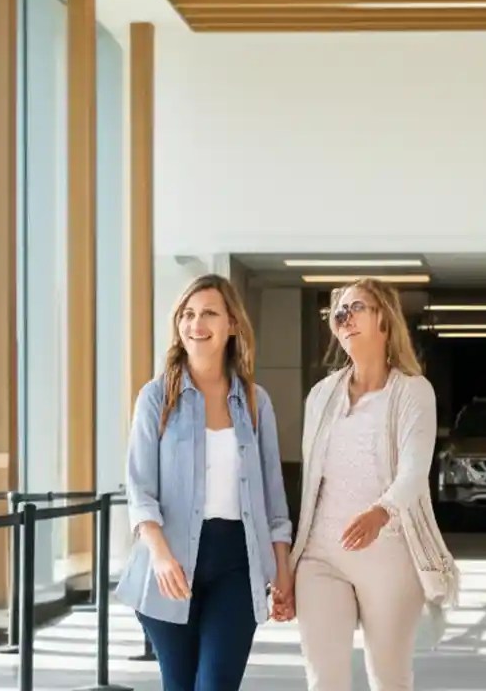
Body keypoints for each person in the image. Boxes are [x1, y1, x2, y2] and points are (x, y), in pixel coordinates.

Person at [115, 273, 294, 691]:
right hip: (170, 566)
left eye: (209, 313)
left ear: (232, 323)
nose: (197, 324)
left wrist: (282, 569)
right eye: (188, 314)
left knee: (215, 685)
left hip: (237, 564)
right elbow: (139, 488)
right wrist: (159, 556)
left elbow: (274, 498)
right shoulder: (157, 397)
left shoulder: (254, 400)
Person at [286, 277, 459, 691]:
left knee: (389, 679)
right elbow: (314, 481)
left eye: (356, 308)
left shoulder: (413, 392)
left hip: (390, 553)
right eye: (339, 313)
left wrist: (381, 512)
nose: (345, 318)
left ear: (384, 319)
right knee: (324, 680)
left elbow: (415, 471)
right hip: (321, 556)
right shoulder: (321, 395)